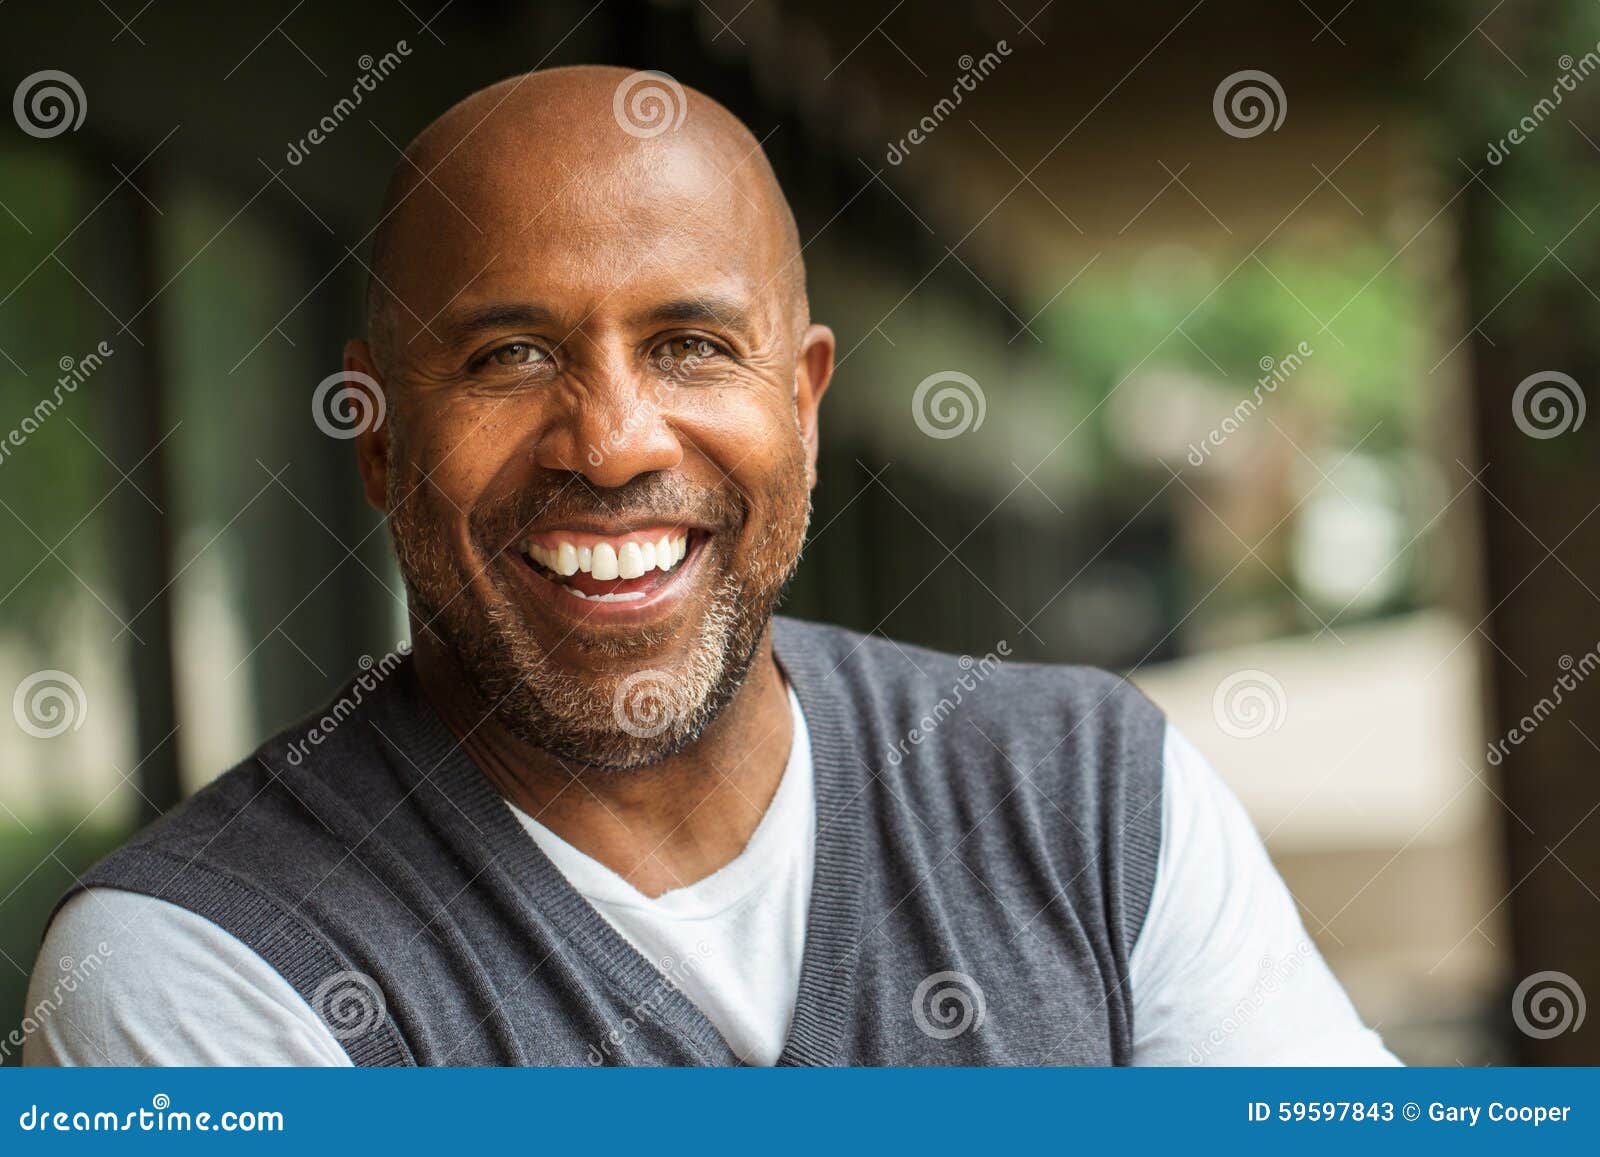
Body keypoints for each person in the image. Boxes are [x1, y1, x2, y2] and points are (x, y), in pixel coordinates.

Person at [26, 66, 1395, 1067]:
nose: (613, 444)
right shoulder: (196, 968)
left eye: (690, 344)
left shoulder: (1090, 799)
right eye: (509, 355)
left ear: (802, 407)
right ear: (378, 438)